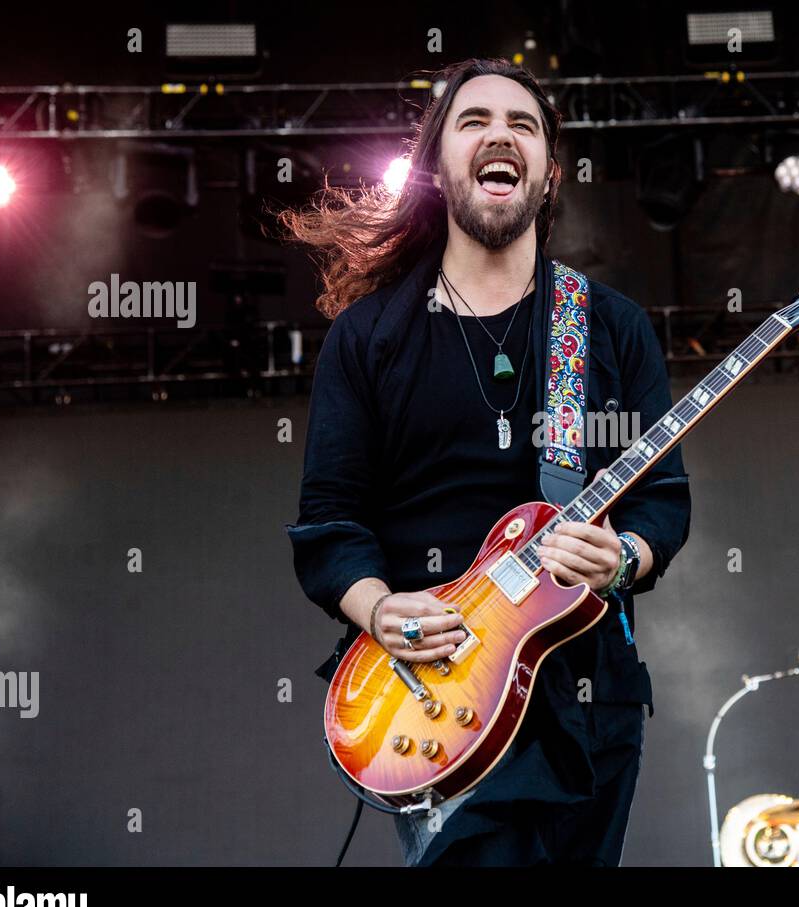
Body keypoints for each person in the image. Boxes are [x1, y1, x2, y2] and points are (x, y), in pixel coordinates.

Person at [281, 57, 692, 866]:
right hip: (439, 695)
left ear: (549, 174)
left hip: (587, 695)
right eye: (474, 122)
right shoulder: (371, 337)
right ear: (437, 167)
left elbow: (664, 503)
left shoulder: (606, 328)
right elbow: (328, 524)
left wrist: (624, 558)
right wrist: (381, 611)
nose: (500, 135)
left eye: (523, 125)